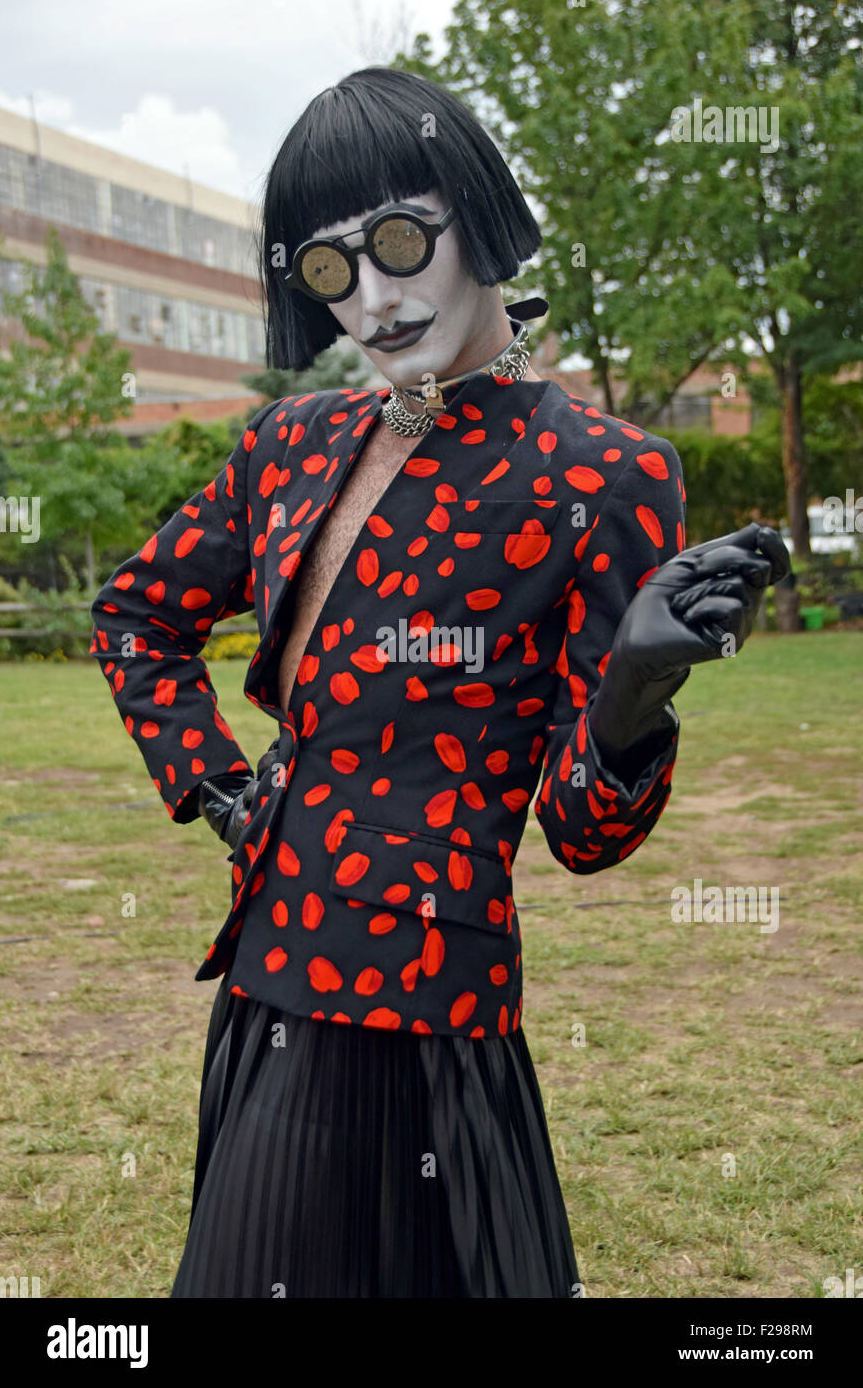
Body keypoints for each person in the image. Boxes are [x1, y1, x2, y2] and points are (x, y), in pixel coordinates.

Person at [89, 66, 789, 1298]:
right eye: (325, 269)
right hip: (269, 984)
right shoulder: (285, 445)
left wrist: (631, 692)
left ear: (473, 211)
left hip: (433, 1010)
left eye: (400, 240)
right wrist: (214, 787)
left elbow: (579, 832)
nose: (371, 296)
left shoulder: (600, 472)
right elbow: (135, 613)